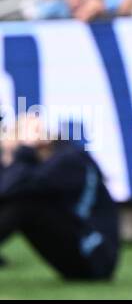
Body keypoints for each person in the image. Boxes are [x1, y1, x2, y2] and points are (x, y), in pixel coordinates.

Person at [0, 113, 119, 281]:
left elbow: (11, 190)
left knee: (24, 204)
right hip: (77, 254)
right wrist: (8, 157)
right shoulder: (38, 161)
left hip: (96, 257)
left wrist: (20, 153)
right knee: (21, 199)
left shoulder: (70, 158)